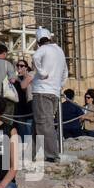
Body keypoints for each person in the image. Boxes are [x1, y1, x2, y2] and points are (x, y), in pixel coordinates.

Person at [30, 27, 68, 161]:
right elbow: (65, 73)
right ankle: (34, 153)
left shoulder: (43, 49)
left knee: (44, 124)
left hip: (42, 90)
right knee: (39, 123)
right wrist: (58, 85)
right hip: (54, 92)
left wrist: (41, 73)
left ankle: (51, 155)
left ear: (39, 41)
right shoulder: (60, 51)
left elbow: (34, 57)